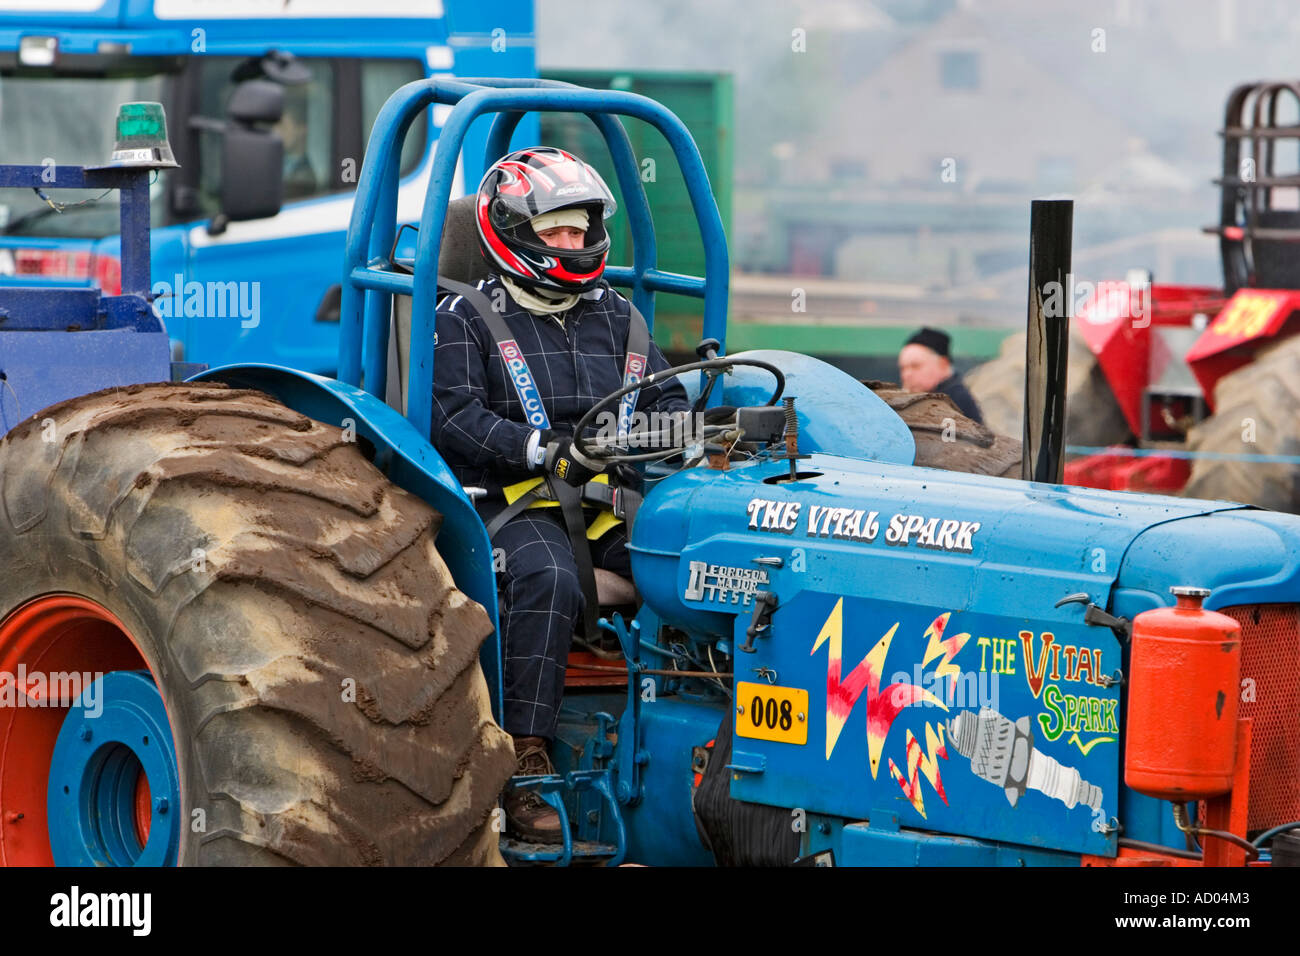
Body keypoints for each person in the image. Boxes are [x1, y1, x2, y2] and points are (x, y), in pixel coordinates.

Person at [430, 147, 691, 842]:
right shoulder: (463, 315)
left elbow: (664, 397)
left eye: (579, 231)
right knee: (549, 577)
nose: (571, 244)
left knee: (698, 565)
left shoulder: (619, 317)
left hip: (609, 506)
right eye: (556, 232)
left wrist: (689, 431)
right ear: (514, 230)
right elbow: (452, 417)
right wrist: (537, 447)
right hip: (506, 503)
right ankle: (523, 759)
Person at [898, 326, 984, 424]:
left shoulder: (955, 401)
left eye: (915, 366)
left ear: (943, 364)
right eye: (903, 368)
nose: (906, 375)